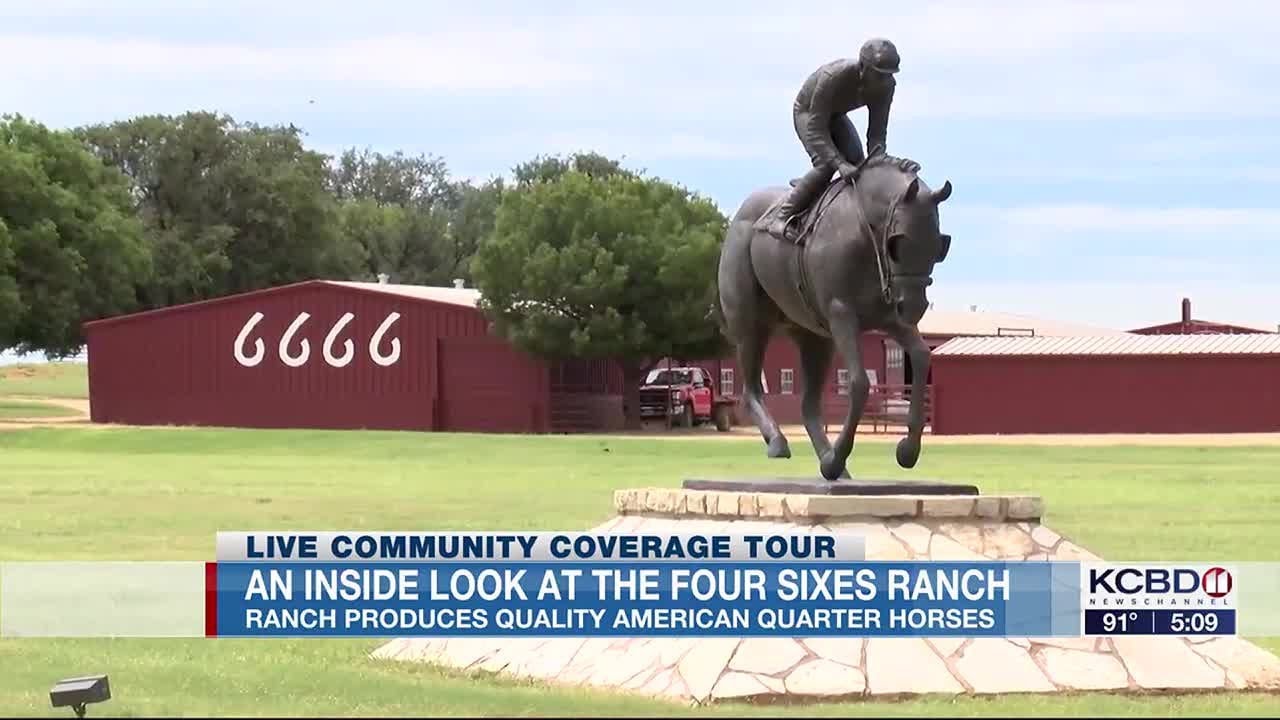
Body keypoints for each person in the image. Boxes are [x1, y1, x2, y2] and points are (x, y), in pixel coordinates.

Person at [763, 38, 915, 242]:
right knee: (826, 164)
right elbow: (816, 130)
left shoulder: (887, 87)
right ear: (863, 68)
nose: (884, 81)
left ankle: (815, 189)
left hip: (835, 115)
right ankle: (779, 218)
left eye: (889, 76)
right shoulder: (833, 77)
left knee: (859, 165)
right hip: (808, 113)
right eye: (879, 75)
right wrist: (840, 164)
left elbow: (877, 136)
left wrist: (888, 162)